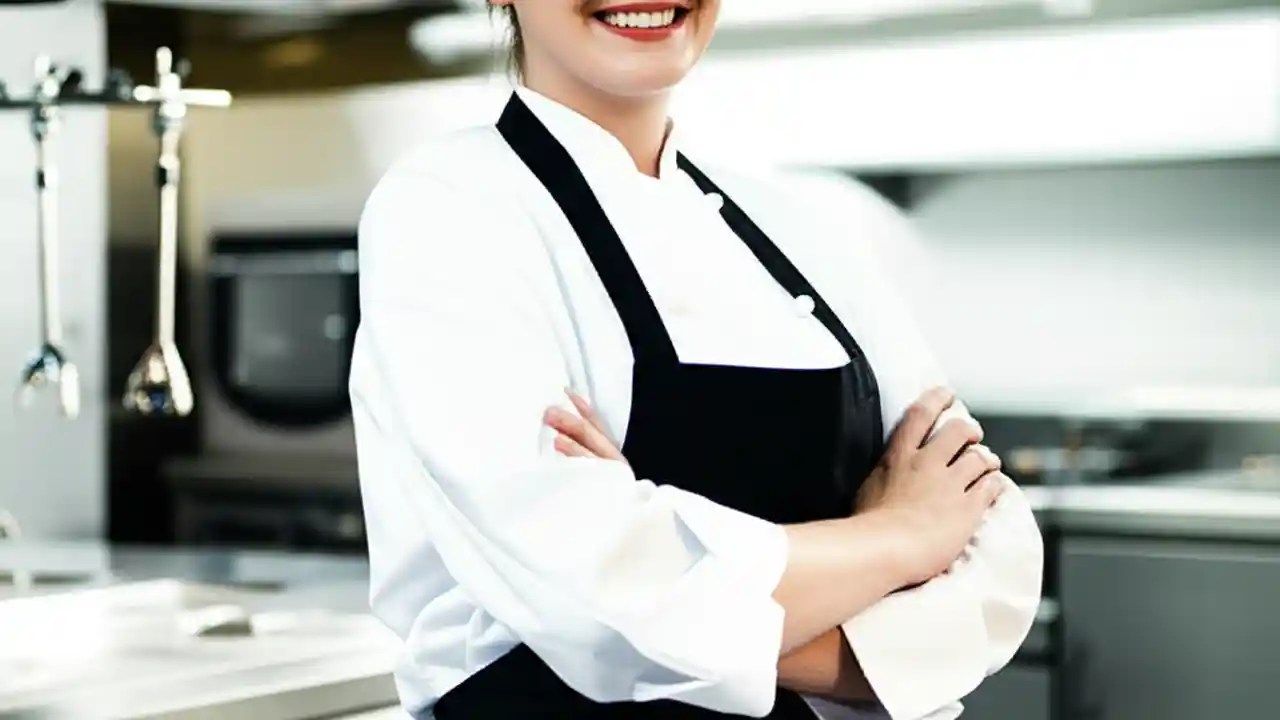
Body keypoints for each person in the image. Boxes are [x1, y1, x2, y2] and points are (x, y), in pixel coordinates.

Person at [350, 1, 1043, 718]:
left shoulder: (799, 225)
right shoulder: (448, 209)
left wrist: (689, 618)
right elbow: (594, 595)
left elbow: (994, 553)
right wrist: (898, 535)